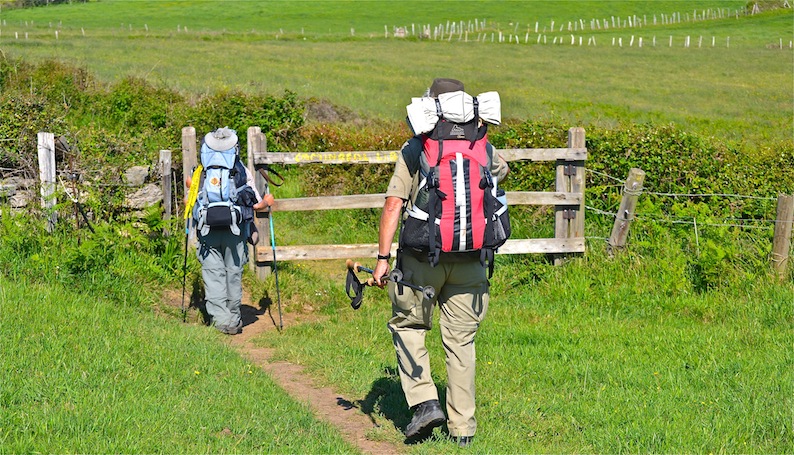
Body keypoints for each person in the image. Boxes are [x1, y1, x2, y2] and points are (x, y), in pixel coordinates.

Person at [372, 78, 509, 447]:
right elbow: (501, 173)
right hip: (472, 260)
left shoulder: (417, 147)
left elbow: (393, 204)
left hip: (422, 259)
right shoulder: (483, 145)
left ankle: (425, 402)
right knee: (462, 342)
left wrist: (383, 259)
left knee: (408, 326)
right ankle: (463, 429)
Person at [189, 127, 274, 335]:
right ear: (234, 148)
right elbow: (254, 203)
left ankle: (220, 321)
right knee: (233, 273)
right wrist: (267, 202)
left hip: (207, 229)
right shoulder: (240, 170)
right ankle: (234, 319)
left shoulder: (201, 170)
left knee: (213, 274)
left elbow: (190, 201)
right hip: (235, 230)